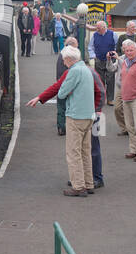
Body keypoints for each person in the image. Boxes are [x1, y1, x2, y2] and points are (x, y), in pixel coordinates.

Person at [32, 46, 106, 190]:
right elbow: (56, 86)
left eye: (63, 60)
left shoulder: (79, 71)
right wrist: (41, 97)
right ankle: (87, 181)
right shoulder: (86, 69)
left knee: (86, 149)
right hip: (90, 113)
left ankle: (91, 180)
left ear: (68, 59)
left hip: (91, 114)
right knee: (86, 150)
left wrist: (98, 111)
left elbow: (100, 91)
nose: (62, 63)